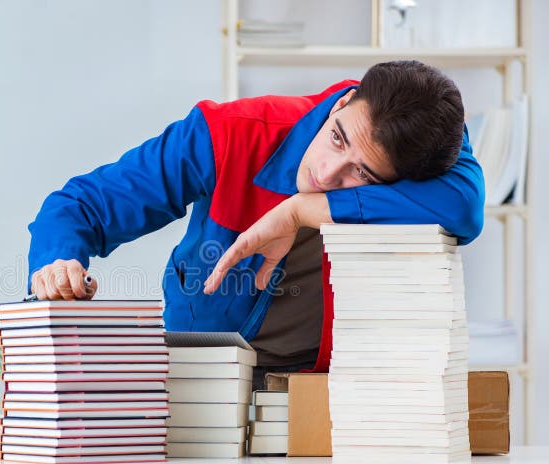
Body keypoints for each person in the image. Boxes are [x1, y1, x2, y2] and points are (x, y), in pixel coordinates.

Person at [27, 60, 484, 389]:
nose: (327, 174)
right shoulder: (231, 132)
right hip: (202, 388)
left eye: (361, 175)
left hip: (330, 395)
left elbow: (466, 208)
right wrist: (58, 260)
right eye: (336, 138)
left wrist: (298, 211)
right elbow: (81, 204)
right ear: (343, 101)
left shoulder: (424, 159)